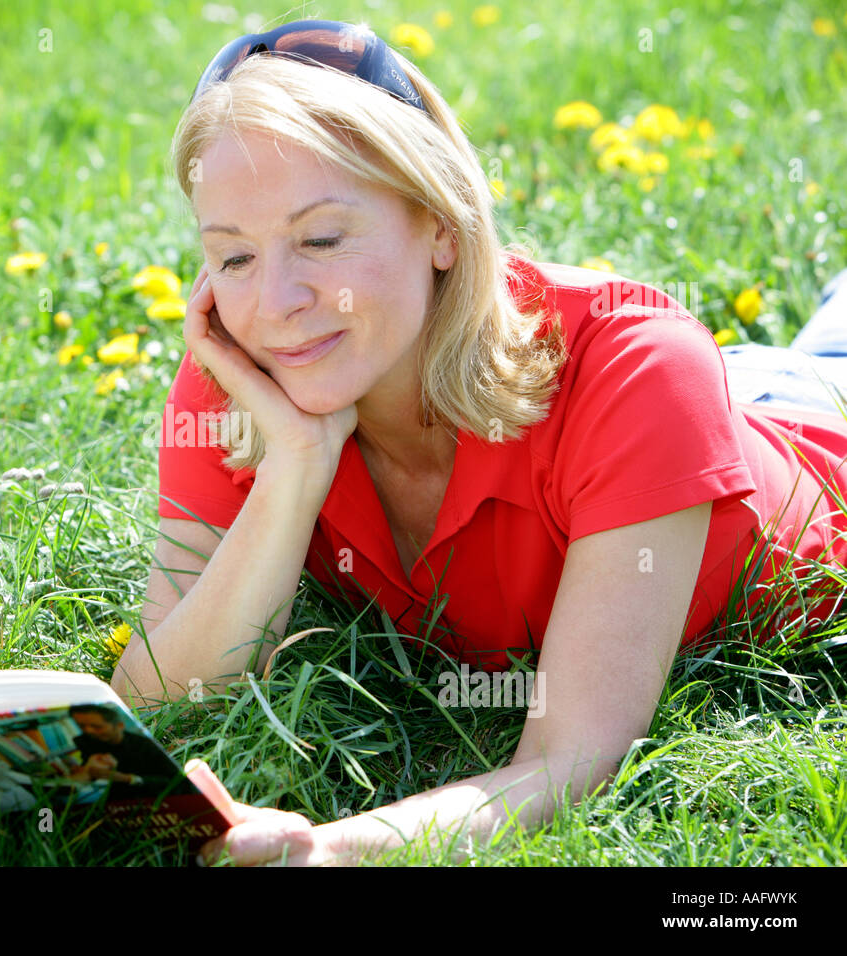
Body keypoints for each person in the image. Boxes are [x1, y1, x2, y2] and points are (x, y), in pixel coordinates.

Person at [109, 19, 847, 866]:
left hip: (806, 419)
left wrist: (327, 851)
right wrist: (297, 468)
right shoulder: (249, 369)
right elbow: (161, 703)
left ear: (442, 227)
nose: (275, 300)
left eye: (320, 239)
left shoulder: (638, 368)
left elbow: (573, 758)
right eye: (233, 257)